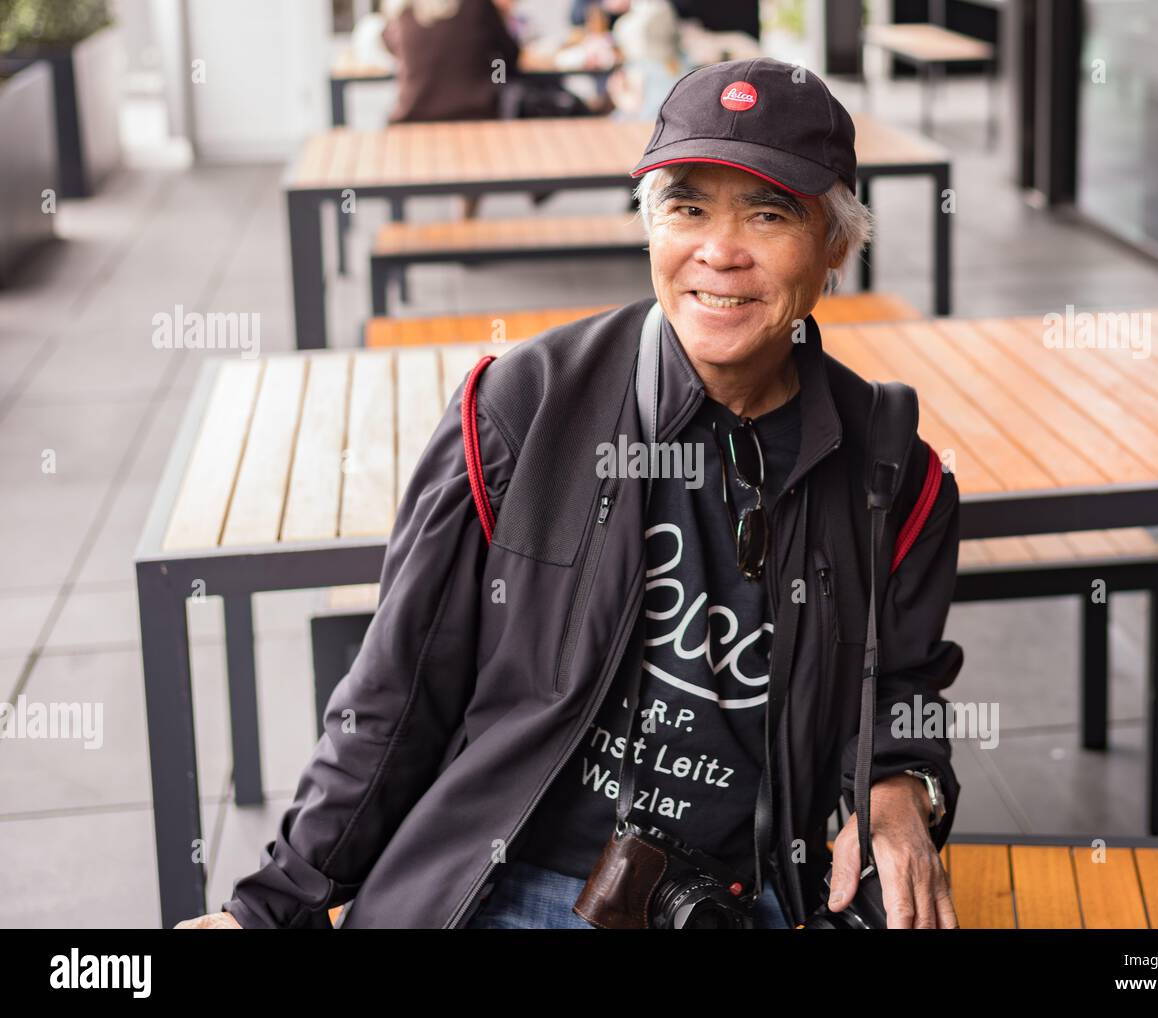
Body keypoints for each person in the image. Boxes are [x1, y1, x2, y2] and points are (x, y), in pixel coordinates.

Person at [177, 57, 963, 931]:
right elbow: (397, 693)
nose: (719, 251)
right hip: (507, 881)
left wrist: (901, 783)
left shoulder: (897, 474)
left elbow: (904, 681)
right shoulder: (519, 411)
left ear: (835, 249)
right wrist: (269, 907)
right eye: (687, 207)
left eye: (769, 214)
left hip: (742, 895)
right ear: (649, 229)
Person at [380, 0, 521, 219]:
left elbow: (389, 44)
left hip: (412, 119)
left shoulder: (402, 12)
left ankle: (401, 224)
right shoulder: (479, 7)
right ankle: (467, 219)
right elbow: (510, 53)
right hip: (473, 116)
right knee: (478, 143)